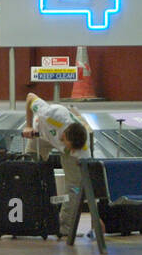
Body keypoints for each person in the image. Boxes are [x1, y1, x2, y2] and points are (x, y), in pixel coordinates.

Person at [23, 92, 92, 239]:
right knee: (27, 170)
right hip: (41, 134)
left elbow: (87, 182)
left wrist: (95, 217)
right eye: (70, 147)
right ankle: (28, 217)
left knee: (75, 185)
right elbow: (30, 97)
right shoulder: (51, 114)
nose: (72, 150)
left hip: (62, 141)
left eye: (73, 149)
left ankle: (65, 227)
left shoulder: (81, 149)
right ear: (65, 136)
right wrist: (28, 126)